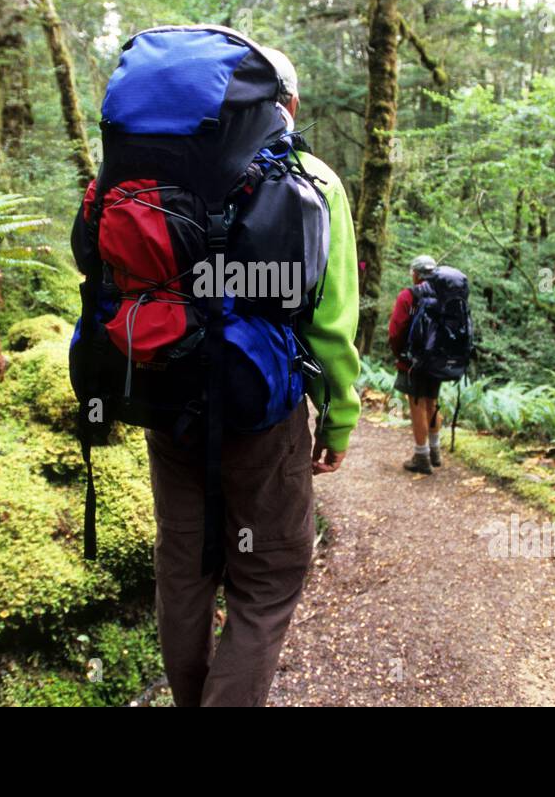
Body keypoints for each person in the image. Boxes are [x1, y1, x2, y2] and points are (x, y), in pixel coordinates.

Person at [141, 44, 361, 706]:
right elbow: (330, 319)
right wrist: (339, 418)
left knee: (183, 572)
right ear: (286, 107)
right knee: (267, 580)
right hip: (262, 409)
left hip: (165, 397)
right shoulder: (312, 179)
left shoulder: (155, 171)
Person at [388, 254, 444, 474]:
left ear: (415, 274)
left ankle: (421, 456)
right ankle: (435, 450)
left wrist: (399, 353)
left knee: (417, 405)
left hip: (412, 362)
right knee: (432, 402)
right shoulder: (444, 296)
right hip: (438, 361)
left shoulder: (408, 296)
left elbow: (396, 330)